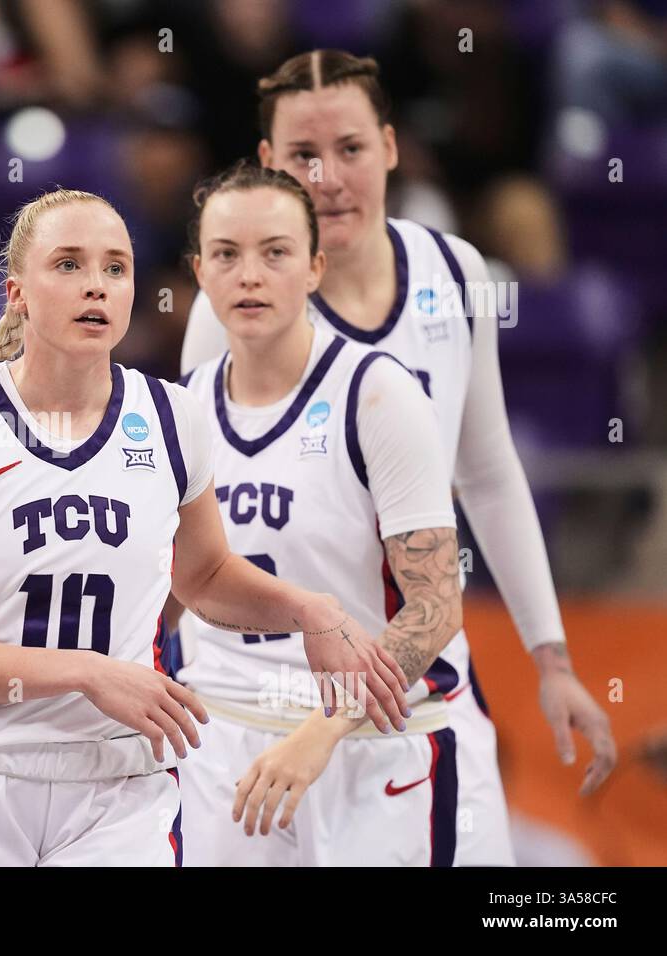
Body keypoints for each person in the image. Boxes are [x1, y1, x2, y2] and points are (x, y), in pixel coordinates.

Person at [0, 187, 410, 867]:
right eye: (68, 265)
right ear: (17, 293)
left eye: (115, 268)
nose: (95, 285)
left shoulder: (172, 418)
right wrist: (86, 673)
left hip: (119, 785)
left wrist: (311, 609)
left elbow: (206, 576)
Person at [180, 50, 617, 864]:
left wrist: (550, 655)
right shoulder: (229, 313)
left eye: (349, 148)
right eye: (304, 157)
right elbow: (197, 532)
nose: (330, 177)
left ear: (388, 146)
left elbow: (486, 471)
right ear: (269, 162)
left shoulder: (453, 274)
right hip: (253, 705)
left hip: (405, 695)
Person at [173, 160, 463, 866]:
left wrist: (321, 729)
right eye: (226, 255)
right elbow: (167, 592)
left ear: (314, 267)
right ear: (199, 272)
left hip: (365, 744)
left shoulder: (377, 393)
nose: (249, 275)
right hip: (221, 744)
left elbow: (438, 604)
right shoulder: (177, 411)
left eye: (275, 252)